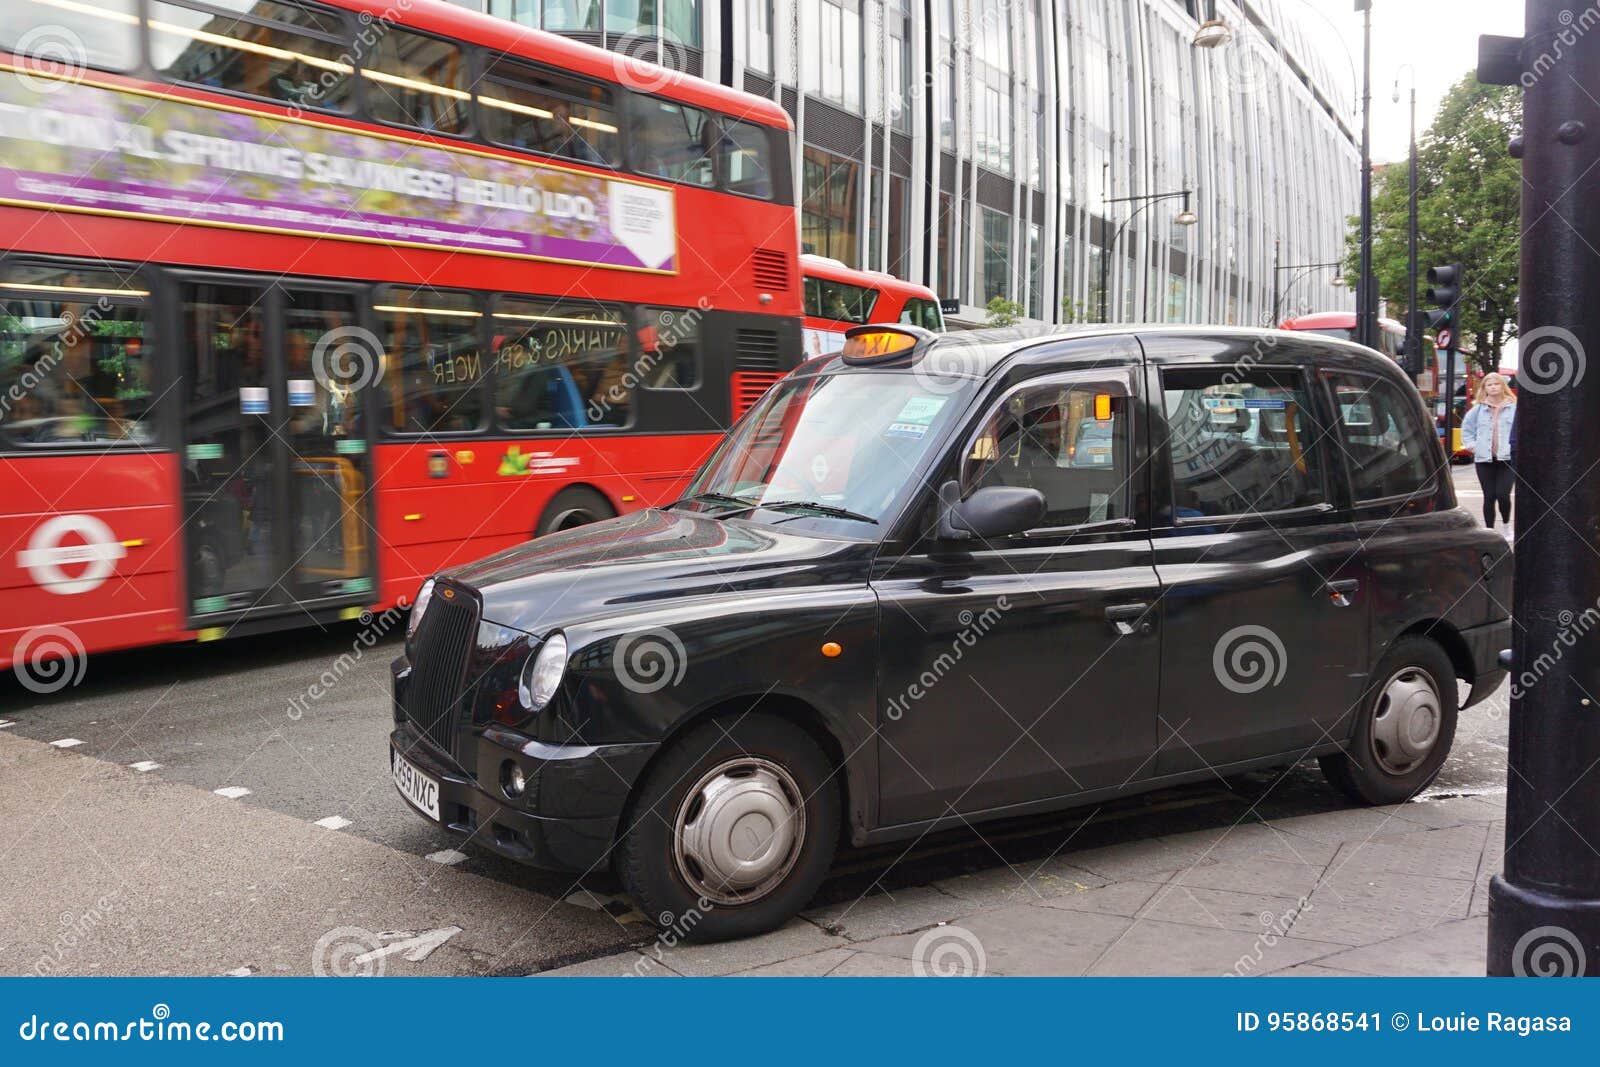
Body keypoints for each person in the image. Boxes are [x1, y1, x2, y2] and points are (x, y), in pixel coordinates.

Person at [1460, 372, 1517, 531]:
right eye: (1489, 385)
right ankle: (1490, 531)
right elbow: (1467, 430)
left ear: (1502, 386)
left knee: (1503, 495)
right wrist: (1473, 446)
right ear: (1484, 388)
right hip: (1484, 460)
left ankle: (1506, 526)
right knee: (1489, 497)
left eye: (1496, 384)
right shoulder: (1477, 410)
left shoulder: (1514, 408)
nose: (1493, 387)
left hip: (1507, 460)